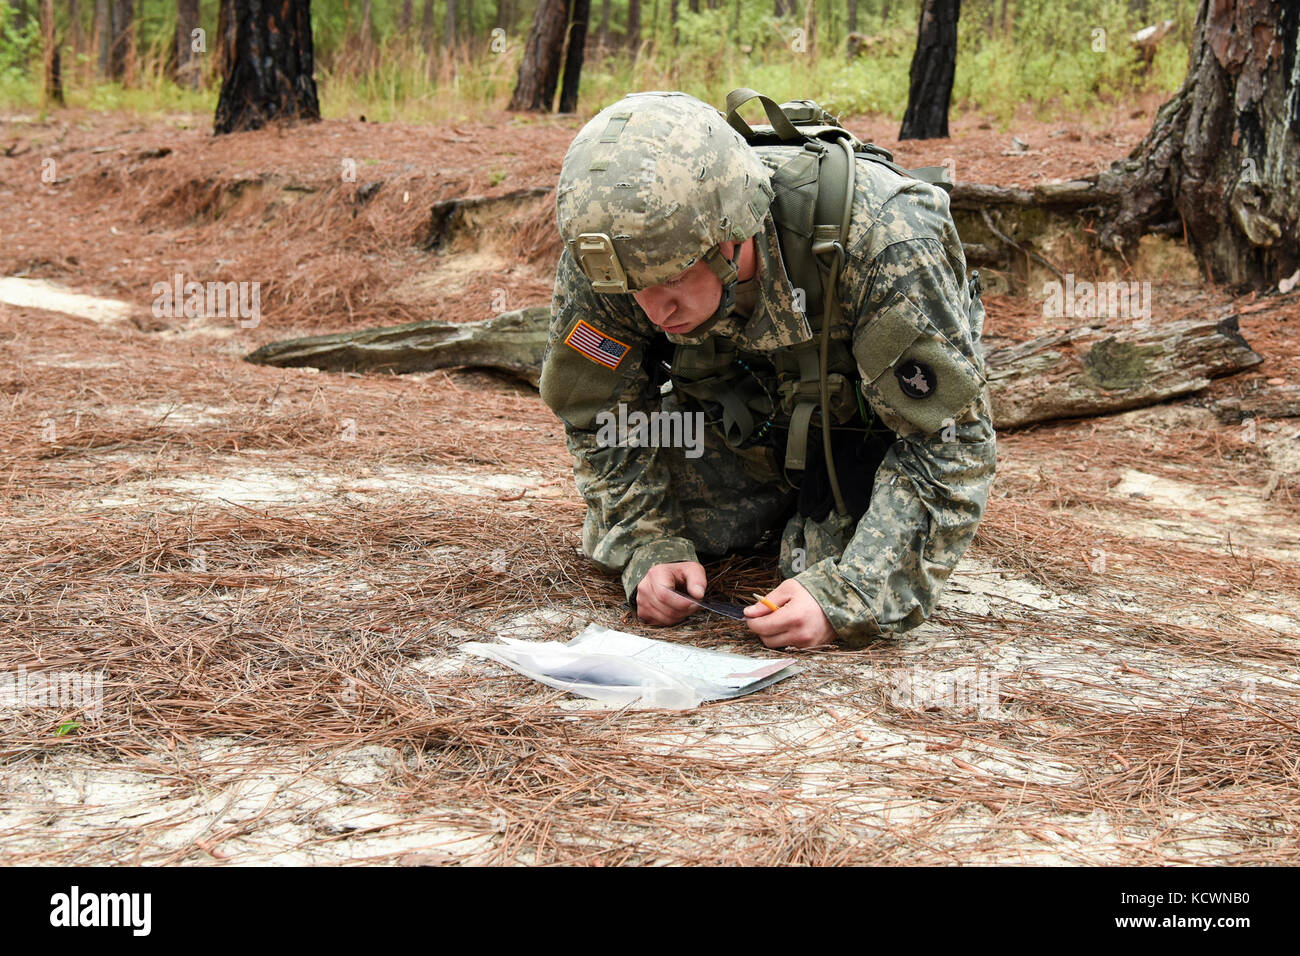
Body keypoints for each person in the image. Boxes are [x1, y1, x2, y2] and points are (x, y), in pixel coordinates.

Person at [539, 90, 996, 650]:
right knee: (654, 531)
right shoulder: (617, 251)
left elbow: (953, 441)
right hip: (738, 430)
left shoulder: (883, 238)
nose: (653, 310)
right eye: (633, 289)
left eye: (671, 281)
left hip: (861, 442)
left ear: (732, 235)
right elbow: (597, 413)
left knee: (837, 559)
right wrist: (649, 542)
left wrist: (851, 594)